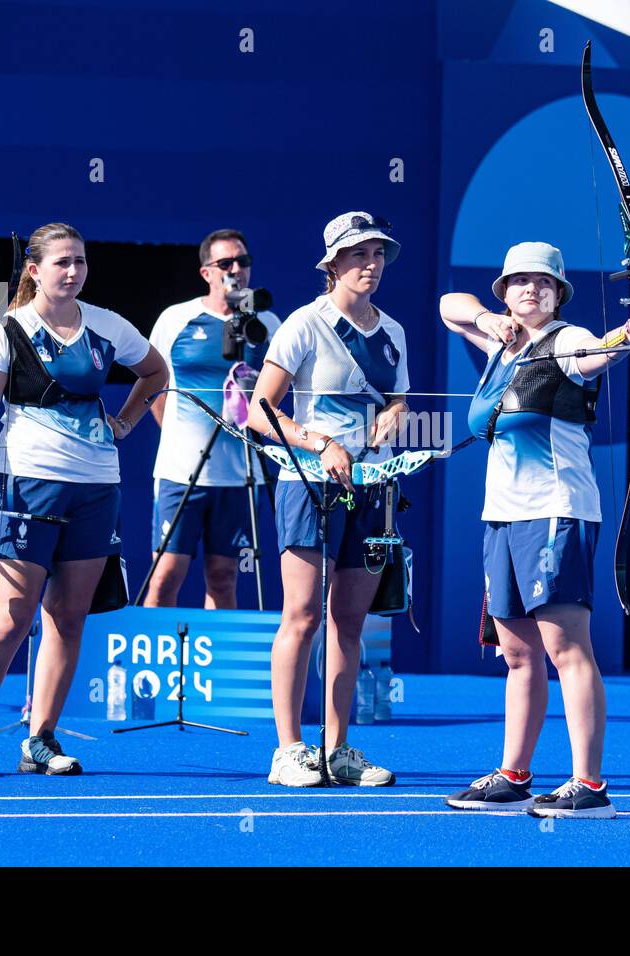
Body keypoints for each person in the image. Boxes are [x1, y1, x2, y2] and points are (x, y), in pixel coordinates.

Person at [439, 241, 630, 818]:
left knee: (565, 647)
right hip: (503, 516)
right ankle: (513, 775)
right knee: (517, 653)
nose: (530, 290)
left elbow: (597, 352)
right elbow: (448, 305)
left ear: (559, 293)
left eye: (543, 283)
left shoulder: (565, 341)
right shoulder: (499, 344)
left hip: (555, 511)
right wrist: (491, 322)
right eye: (519, 282)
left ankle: (589, 786)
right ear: (505, 292)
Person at [0, 222, 168, 776]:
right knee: (12, 620)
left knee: (67, 618)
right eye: (62, 262)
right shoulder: (9, 330)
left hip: (96, 488)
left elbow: (156, 370)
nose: (73, 271)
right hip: (28, 486)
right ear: (35, 271)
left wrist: (127, 421)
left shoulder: (107, 325)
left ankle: (40, 739)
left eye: (81, 262)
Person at [247, 211, 408, 787]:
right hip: (308, 485)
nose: (371, 264)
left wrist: (393, 416)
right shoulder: (303, 325)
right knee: (303, 614)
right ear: (332, 264)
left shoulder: (392, 332)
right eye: (358, 255)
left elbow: (397, 401)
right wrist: (321, 443)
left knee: (349, 621)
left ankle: (339, 750)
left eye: (378, 254)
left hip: (370, 487)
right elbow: (258, 411)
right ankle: (289, 749)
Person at [143, 229, 281, 608]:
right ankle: (159, 664)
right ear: (206, 272)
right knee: (166, 575)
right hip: (180, 473)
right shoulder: (176, 319)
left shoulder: (268, 324)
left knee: (224, 579)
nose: (236, 270)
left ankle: (214, 668)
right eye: (225, 263)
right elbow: (154, 387)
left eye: (243, 262)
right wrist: (178, 435)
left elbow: (282, 394)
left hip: (240, 476)